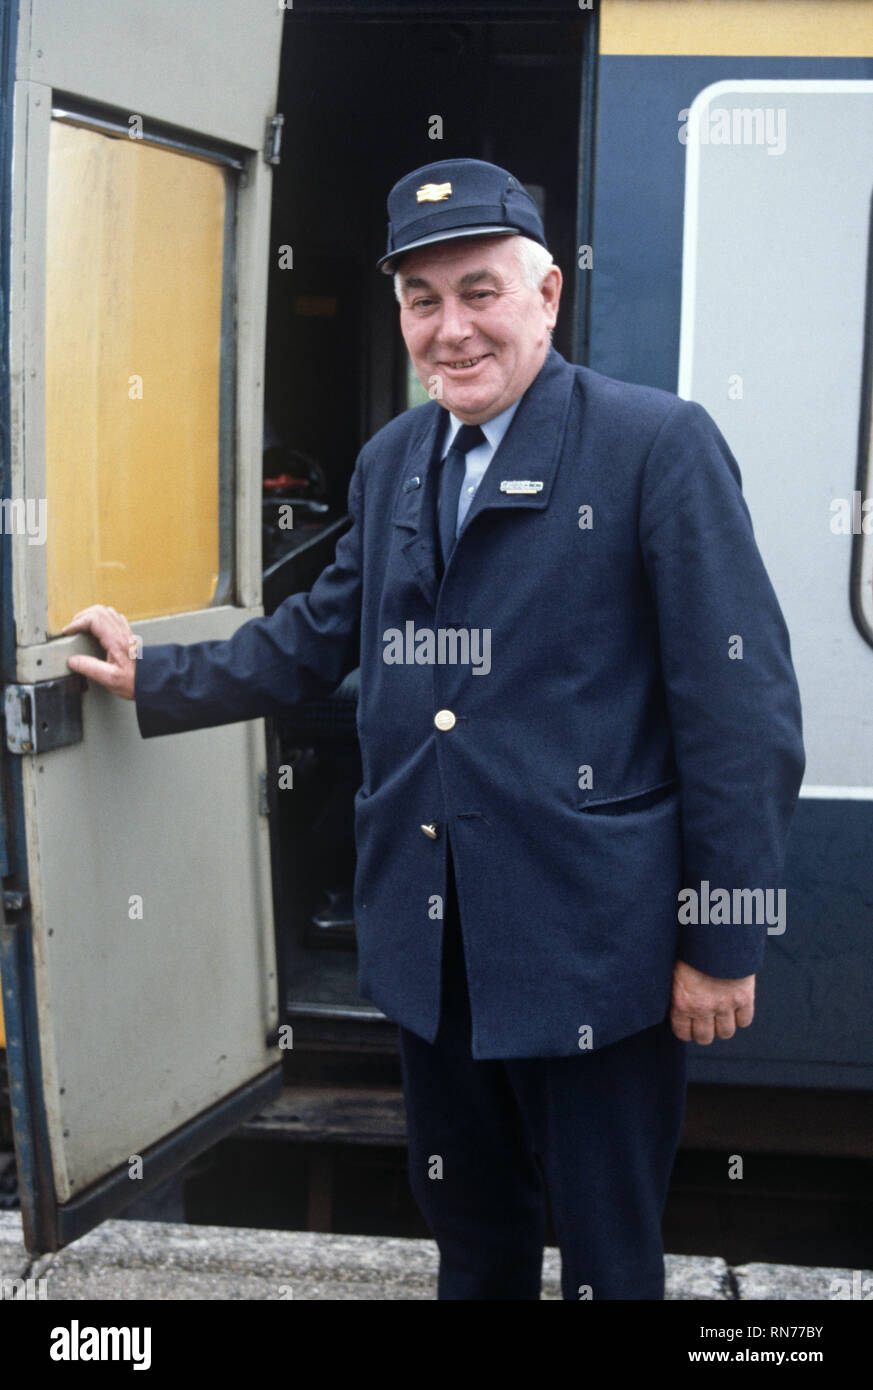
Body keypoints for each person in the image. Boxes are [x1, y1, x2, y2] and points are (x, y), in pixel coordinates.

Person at [63, 158, 805, 1300]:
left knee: (610, 1256)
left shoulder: (655, 446)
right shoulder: (395, 459)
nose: (450, 329)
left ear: (547, 295)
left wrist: (722, 938)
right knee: (473, 1238)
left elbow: (740, 710)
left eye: (480, 291)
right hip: (436, 937)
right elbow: (318, 634)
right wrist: (155, 674)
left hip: (593, 946)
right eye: (422, 300)